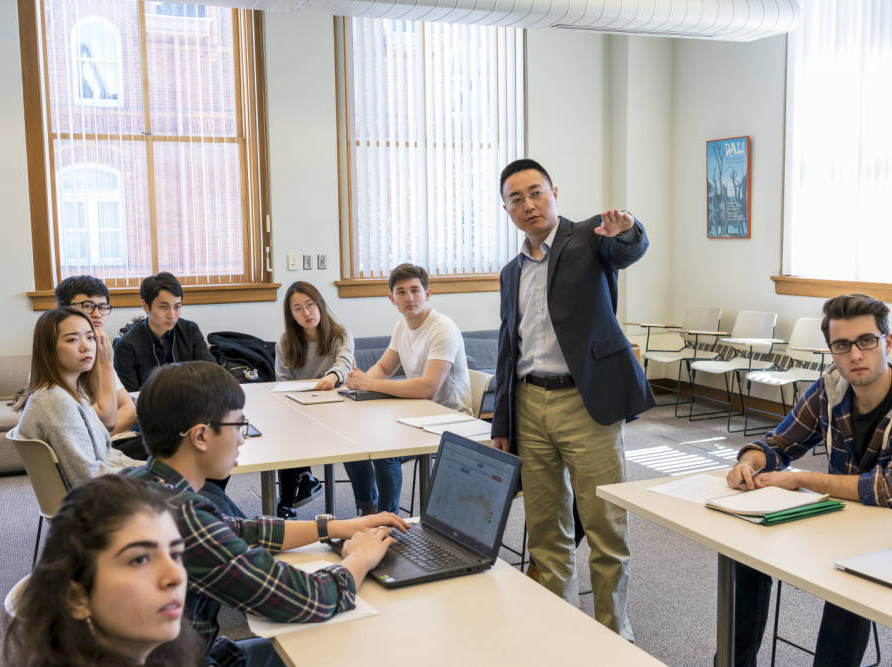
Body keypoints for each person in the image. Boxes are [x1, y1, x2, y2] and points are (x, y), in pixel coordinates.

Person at [725, 294, 892, 667]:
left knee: (853, 579)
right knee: (746, 550)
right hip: (846, 519)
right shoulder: (830, 388)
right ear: (831, 350)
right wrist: (749, 462)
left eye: (867, 341)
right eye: (842, 345)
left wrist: (801, 478)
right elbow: (779, 444)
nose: (856, 356)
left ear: (888, 342)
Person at [126, 360, 407, 666]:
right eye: (238, 426)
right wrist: (361, 557)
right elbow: (311, 598)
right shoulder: (183, 517)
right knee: (338, 649)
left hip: (190, 650)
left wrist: (337, 526)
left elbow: (242, 530)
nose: (242, 439)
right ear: (201, 436)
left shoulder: (142, 483)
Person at [489, 158, 655, 638]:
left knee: (605, 528)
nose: (528, 205)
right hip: (528, 403)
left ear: (554, 192)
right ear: (507, 209)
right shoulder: (510, 272)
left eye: (535, 192)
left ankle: (612, 637)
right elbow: (507, 348)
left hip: (587, 404)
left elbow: (628, 248)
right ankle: (560, 637)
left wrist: (629, 230)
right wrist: (501, 424)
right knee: (546, 533)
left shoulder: (588, 238)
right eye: (516, 199)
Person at [4, 474, 204, 667]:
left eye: (175, 554)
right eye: (139, 559)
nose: (175, 576)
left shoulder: (159, 652)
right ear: (77, 598)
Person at [344, 263, 471, 514]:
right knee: (352, 441)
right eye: (401, 292)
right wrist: (358, 386)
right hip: (417, 414)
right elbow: (383, 367)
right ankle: (367, 509)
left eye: (415, 290)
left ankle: (386, 519)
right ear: (392, 299)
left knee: (385, 452)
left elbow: (428, 388)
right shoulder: (402, 326)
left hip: (449, 418)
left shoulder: (442, 328)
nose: (409, 297)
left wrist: (371, 383)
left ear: (428, 294)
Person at [15, 307, 142, 488]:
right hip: (102, 501)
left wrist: (151, 471)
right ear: (49, 348)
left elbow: (106, 457)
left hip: (109, 486)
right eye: (73, 339)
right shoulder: (55, 400)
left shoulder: (69, 391)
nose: (86, 346)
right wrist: (154, 477)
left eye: (90, 338)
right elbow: (87, 477)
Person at [273, 280, 355, 517]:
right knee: (285, 429)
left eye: (310, 305)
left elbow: (344, 363)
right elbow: (283, 380)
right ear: (291, 315)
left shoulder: (340, 334)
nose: (306, 313)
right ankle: (288, 500)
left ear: (320, 304)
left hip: (337, 407)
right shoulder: (285, 342)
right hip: (300, 408)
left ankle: (304, 480)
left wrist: (332, 376)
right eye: (297, 308)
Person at [55, 274, 137, 435]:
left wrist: (97, 435)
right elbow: (98, 424)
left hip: (104, 443)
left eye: (103, 307)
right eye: (88, 306)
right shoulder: (60, 361)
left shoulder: (100, 351)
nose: (97, 314)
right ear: (63, 310)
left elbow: (129, 410)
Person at [113, 271, 214, 392]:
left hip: (190, 401)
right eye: (164, 307)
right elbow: (131, 396)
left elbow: (211, 374)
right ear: (145, 306)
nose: (172, 315)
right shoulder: (126, 346)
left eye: (177, 307)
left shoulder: (190, 331)